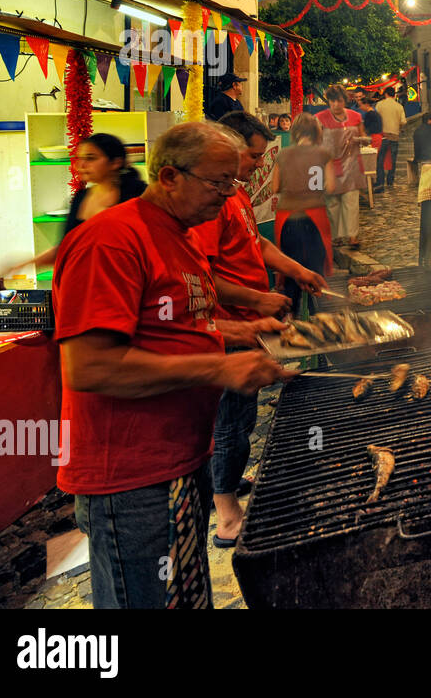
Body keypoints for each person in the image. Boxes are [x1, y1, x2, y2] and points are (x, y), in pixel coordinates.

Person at [53, 121, 294, 608]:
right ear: (169, 176)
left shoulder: (180, 236)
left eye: (233, 184)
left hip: (181, 462)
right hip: (129, 477)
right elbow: (90, 367)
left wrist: (240, 331)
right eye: (218, 183)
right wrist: (218, 369)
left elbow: (178, 323)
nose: (228, 198)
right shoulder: (111, 241)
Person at [196, 112, 327, 549]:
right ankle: (226, 512)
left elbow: (259, 244)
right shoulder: (211, 203)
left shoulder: (236, 194)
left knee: (244, 412)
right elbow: (205, 275)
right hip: (229, 323)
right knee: (230, 418)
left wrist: (299, 270)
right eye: (252, 155)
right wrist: (256, 301)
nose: (258, 164)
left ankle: (229, 481)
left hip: (250, 322)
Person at [11, 133, 146, 273]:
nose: (81, 165)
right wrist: (25, 264)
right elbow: (65, 248)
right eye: (79, 158)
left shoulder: (138, 196)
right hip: (87, 281)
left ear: (115, 162)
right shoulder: (81, 197)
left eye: (90, 158)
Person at [272, 112, 335, 318]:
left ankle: (289, 318)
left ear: (295, 132)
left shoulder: (282, 155)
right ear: (316, 132)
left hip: (287, 218)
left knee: (290, 269)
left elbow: (274, 188)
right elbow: (331, 187)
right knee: (314, 269)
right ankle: (318, 317)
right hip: (314, 217)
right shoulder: (324, 154)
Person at [314, 84, 367, 249]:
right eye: (332, 101)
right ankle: (335, 236)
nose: (335, 105)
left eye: (339, 101)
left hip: (351, 165)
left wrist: (362, 140)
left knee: (351, 202)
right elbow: (315, 142)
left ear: (345, 100)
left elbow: (363, 136)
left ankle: (352, 236)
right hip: (329, 166)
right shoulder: (319, 118)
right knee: (332, 204)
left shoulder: (356, 117)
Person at [374, 86, 408, 191]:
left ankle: (380, 181)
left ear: (385, 94)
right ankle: (390, 180)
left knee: (380, 159)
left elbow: (376, 118)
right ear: (394, 95)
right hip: (394, 136)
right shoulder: (399, 106)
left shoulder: (380, 104)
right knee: (393, 160)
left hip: (383, 136)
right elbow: (403, 121)